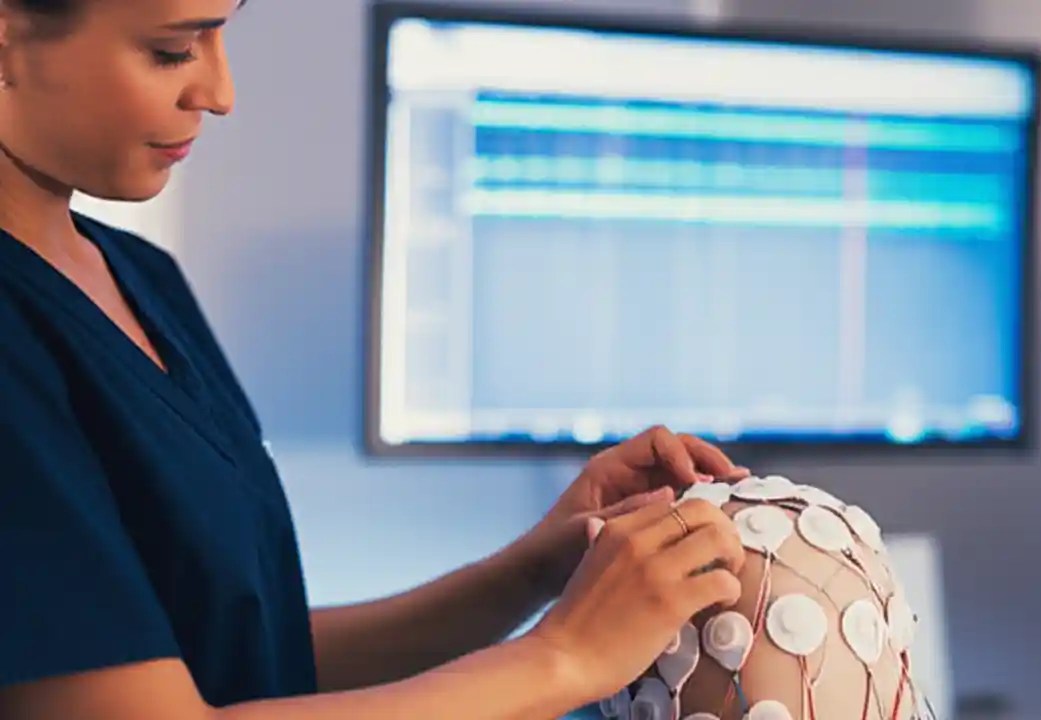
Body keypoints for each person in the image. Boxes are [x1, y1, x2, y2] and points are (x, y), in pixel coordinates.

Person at [0, 1, 751, 718]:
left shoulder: (139, 277)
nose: (220, 93)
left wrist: (539, 571)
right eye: (173, 51)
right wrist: (569, 658)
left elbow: (255, 662)